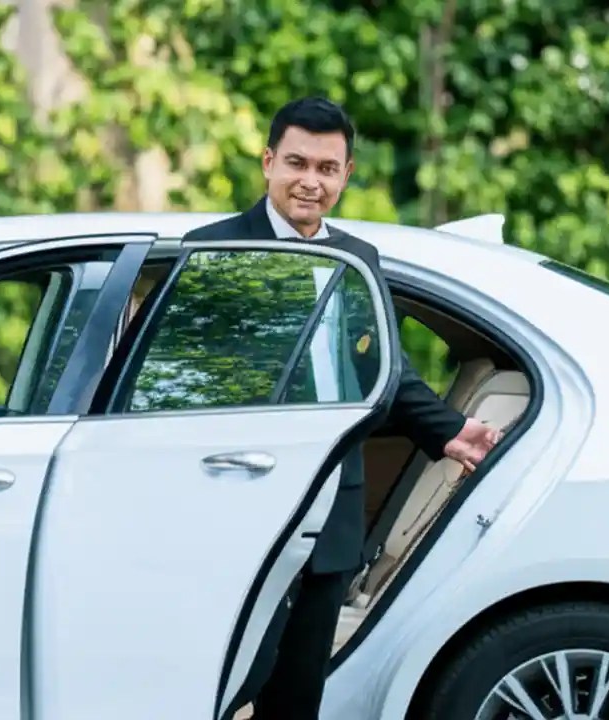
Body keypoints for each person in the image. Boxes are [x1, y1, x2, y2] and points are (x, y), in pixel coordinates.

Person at [184, 96, 500, 719]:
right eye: (297, 163)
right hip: (241, 501)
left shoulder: (359, 259)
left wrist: (452, 432)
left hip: (333, 507)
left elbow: (384, 371)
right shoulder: (213, 251)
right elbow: (195, 377)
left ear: (346, 175)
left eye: (327, 169)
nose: (311, 181)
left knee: (298, 695)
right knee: (221, 686)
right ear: (268, 163)